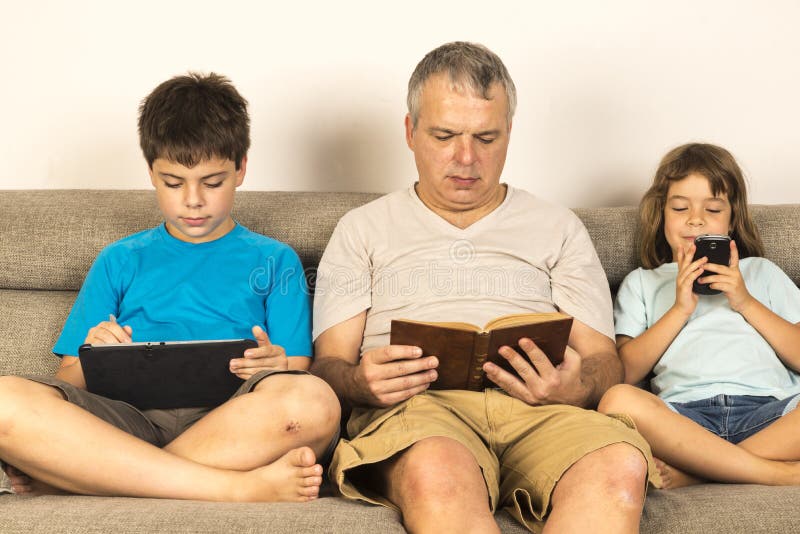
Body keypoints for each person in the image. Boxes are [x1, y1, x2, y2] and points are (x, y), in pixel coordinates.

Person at [311, 42, 660, 533]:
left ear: (510, 134)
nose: (466, 158)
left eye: (486, 137)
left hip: (542, 413)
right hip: (421, 414)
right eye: (445, 135)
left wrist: (576, 386)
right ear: (410, 132)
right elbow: (327, 365)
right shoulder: (361, 229)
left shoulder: (558, 227)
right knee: (438, 474)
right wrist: (359, 382)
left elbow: (606, 360)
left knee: (619, 467)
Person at [0, 72, 340, 502]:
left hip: (232, 421)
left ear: (241, 169)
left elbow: (298, 370)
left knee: (313, 402)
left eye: (212, 182)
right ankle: (231, 487)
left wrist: (276, 366)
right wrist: (95, 354)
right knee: (4, 400)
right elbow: (68, 378)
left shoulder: (275, 260)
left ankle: (97, 476)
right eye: (173, 183)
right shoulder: (119, 259)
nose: (193, 200)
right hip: (126, 420)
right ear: (151, 173)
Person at [598, 143, 800, 489]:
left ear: (732, 219)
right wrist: (680, 308)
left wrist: (744, 300)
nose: (696, 219)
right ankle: (774, 472)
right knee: (616, 401)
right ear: (662, 214)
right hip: (686, 421)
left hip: (770, 412)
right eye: (680, 207)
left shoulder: (761, 272)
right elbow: (625, 373)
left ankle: (699, 472)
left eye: (712, 208)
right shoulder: (643, 282)